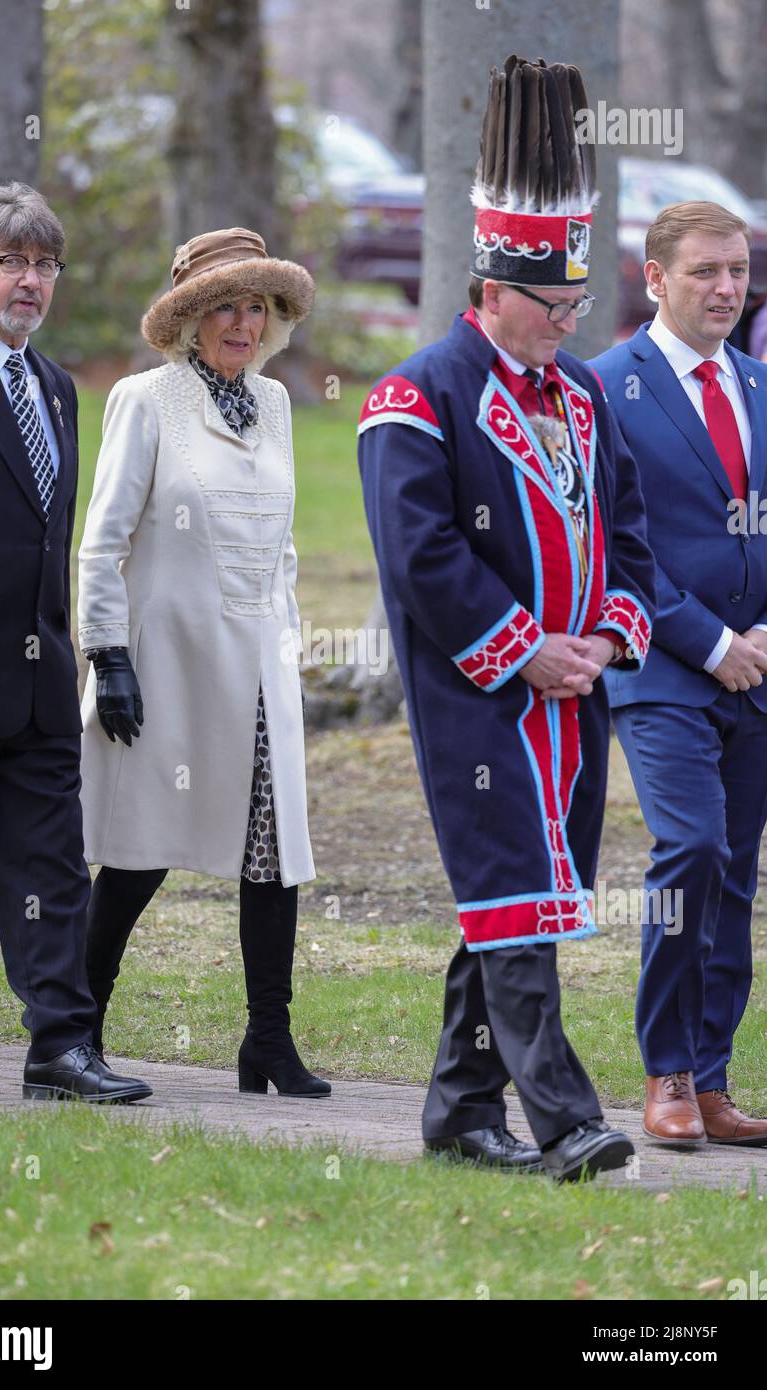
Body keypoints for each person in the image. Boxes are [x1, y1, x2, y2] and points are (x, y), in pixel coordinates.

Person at [358, 56, 656, 1181]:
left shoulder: (581, 395)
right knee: (510, 904)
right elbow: (419, 558)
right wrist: (525, 650)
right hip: (476, 696)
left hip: (575, 700)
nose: (569, 324)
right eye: (551, 306)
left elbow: (626, 532)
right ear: (489, 291)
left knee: (514, 904)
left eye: (579, 305)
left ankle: (455, 1108)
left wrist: (605, 640)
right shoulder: (411, 398)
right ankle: (564, 1119)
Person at [0, 182, 150, 1103]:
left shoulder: (53, 387)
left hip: (41, 679)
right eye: (12, 263)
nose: (30, 282)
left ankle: (60, 1047)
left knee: (49, 869)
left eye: (45, 266)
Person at [77, 227, 330, 1097]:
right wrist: (107, 655)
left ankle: (268, 1041)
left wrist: (288, 645)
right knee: (138, 850)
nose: (243, 322)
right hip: (166, 665)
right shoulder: (146, 400)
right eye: (225, 304)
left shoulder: (276, 405)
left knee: (275, 852)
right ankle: (74, 1032)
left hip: (260, 664)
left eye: (256, 306)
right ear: (190, 318)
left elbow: (285, 546)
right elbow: (102, 540)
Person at [592, 202, 767, 1147]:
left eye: (737, 270)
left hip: (761, 676)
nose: (727, 289)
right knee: (690, 850)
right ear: (654, 279)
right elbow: (616, 550)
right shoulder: (604, 389)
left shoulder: (762, 385)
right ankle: (664, 1071)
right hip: (661, 671)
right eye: (705, 271)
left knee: (735, 874)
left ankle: (711, 1080)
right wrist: (710, 642)